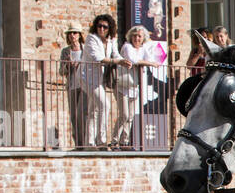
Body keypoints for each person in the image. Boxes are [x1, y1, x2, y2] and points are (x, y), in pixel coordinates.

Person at [119, 25, 167, 148]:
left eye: (139, 36)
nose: (137, 38)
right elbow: (134, 60)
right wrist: (150, 63)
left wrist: (149, 61)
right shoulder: (127, 46)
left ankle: (124, 142)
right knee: (124, 115)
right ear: (131, 37)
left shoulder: (143, 48)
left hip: (135, 86)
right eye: (134, 36)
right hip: (124, 85)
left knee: (130, 116)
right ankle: (115, 140)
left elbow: (149, 58)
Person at [81, 13, 120, 147]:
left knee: (94, 110)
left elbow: (116, 54)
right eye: (99, 26)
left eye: (105, 27)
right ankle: (101, 140)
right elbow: (97, 57)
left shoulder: (111, 40)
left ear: (110, 28)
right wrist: (117, 61)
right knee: (105, 105)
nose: (101, 29)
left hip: (99, 79)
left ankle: (89, 142)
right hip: (88, 78)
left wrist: (128, 61)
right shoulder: (91, 39)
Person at [59, 22, 88, 146]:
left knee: (82, 114)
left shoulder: (85, 49)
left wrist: (80, 65)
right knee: (73, 116)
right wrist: (67, 65)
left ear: (79, 35)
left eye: (75, 33)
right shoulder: (65, 51)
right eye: (70, 33)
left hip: (84, 85)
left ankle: (85, 142)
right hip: (72, 85)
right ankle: (78, 144)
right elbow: (61, 72)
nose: (72, 35)